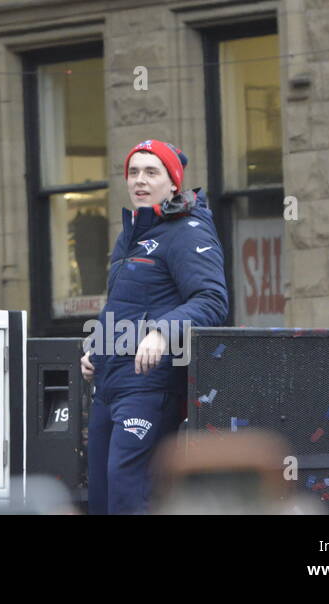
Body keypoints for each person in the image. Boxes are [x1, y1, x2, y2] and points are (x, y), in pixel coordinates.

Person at [80, 139, 228, 514]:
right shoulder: (131, 233)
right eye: (133, 172)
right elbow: (123, 304)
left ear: (173, 183)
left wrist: (162, 332)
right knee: (100, 497)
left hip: (150, 385)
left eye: (151, 172)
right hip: (108, 384)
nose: (139, 181)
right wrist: (95, 350)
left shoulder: (189, 230)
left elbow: (212, 301)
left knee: (130, 496)